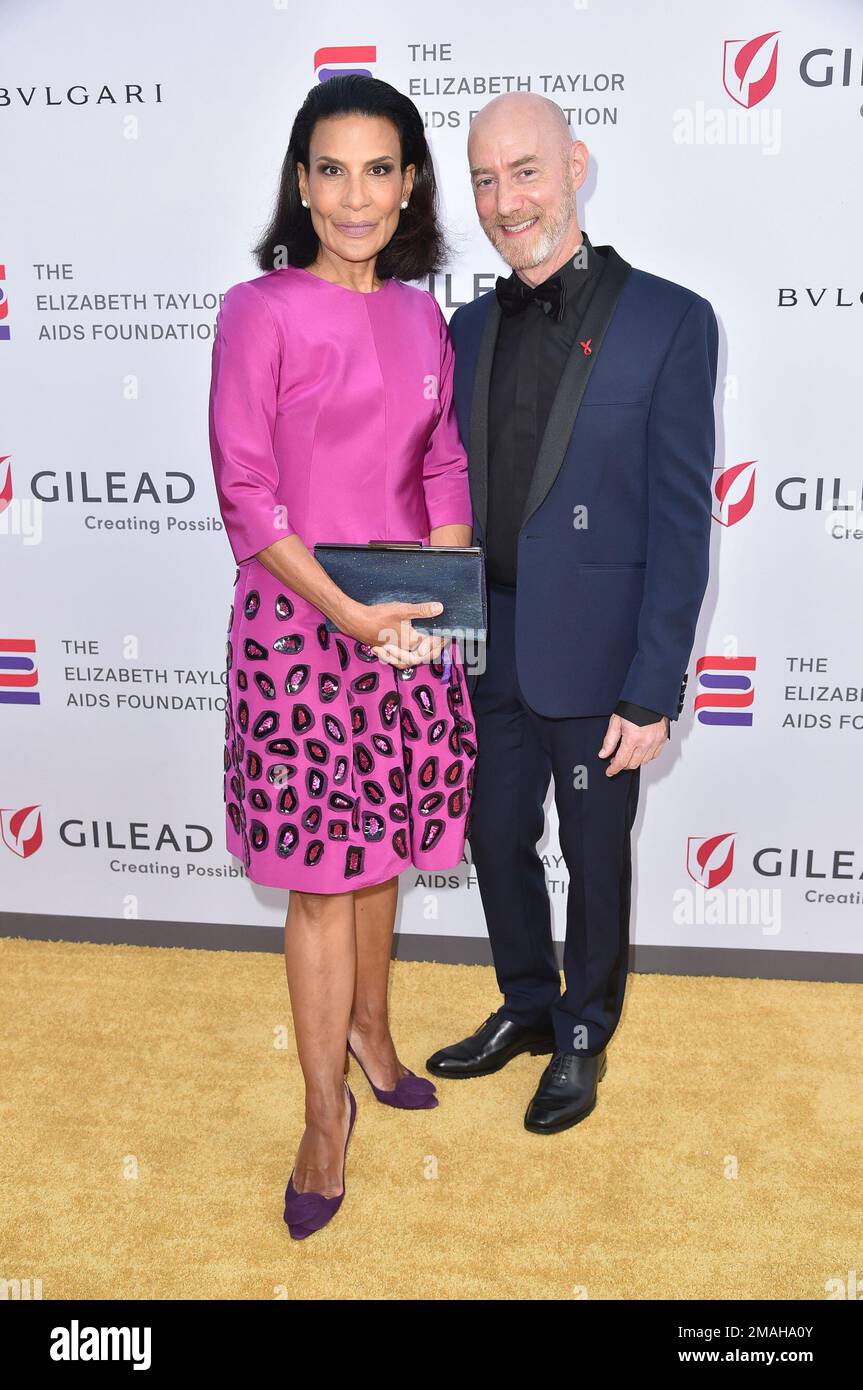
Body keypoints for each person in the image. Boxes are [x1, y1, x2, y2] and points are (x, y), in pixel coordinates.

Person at [208, 75, 477, 1236]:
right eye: (330, 169)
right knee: (322, 882)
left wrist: (439, 584)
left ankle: (371, 1031)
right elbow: (247, 492)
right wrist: (348, 615)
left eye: (378, 169)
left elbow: (443, 467)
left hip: (404, 630)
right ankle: (324, 1117)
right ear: (301, 181)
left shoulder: (423, 317)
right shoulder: (258, 308)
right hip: (297, 635)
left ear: (408, 182)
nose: (352, 195)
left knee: (382, 858)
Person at [426, 92, 719, 1134]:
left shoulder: (669, 319)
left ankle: (585, 1032)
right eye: (485, 179)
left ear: (576, 165)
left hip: (598, 662)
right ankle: (526, 1003)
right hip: (481, 641)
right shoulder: (463, 325)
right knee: (492, 833)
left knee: (593, 855)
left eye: (526, 171)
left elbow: (683, 523)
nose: (506, 201)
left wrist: (652, 686)